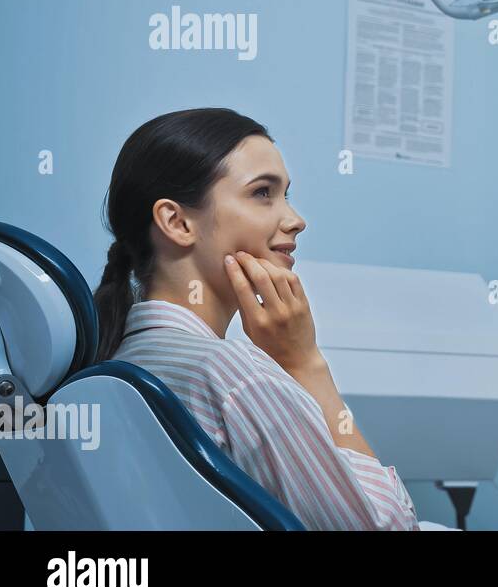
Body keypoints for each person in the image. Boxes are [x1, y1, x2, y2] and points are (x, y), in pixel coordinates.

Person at [94, 107, 439, 530]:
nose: (295, 221)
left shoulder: (117, 364)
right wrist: (305, 364)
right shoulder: (232, 374)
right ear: (177, 221)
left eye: (286, 195)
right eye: (262, 193)